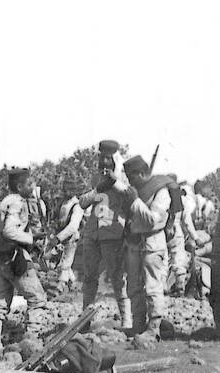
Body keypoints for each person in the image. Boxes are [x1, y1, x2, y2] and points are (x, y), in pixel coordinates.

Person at [120, 156, 176, 347]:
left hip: (153, 243)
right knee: (134, 287)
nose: (129, 181)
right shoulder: (136, 192)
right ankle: (137, 326)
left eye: (132, 177)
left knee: (153, 287)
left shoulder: (161, 192)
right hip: (135, 243)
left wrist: (135, 201)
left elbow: (152, 220)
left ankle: (154, 329)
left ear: (142, 174)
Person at [0, 168, 47, 342]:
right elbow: (9, 231)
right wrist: (30, 238)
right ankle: (32, 340)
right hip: (15, 257)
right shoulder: (18, 203)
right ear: (20, 186)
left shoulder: (6, 201)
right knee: (37, 299)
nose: (33, 186)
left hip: (0, 256)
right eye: (30, 183)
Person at [78, 139, 130, 326]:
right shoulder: (95, 179)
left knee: (117, 279)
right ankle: (84, 322)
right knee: (90, 278)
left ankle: (127, 322)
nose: (104, 165)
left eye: (108, 161)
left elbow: (129, 197)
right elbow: (82, 202)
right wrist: (98, 189)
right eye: (102, 160)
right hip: (93, 234)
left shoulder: (123, 180)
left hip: (113, 235)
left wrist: (113, 182)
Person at [52, 179, 84, 292]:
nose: (65, 192)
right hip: (62, 235)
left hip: (71, 237)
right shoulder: (63, 203)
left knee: (65, 261)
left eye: (68, 190)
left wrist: (59, 237)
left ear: (74, 191)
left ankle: (60, 287)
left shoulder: (77, 206)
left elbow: (73, 226)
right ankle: (72, 284)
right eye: (64, 190)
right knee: (65, 260)